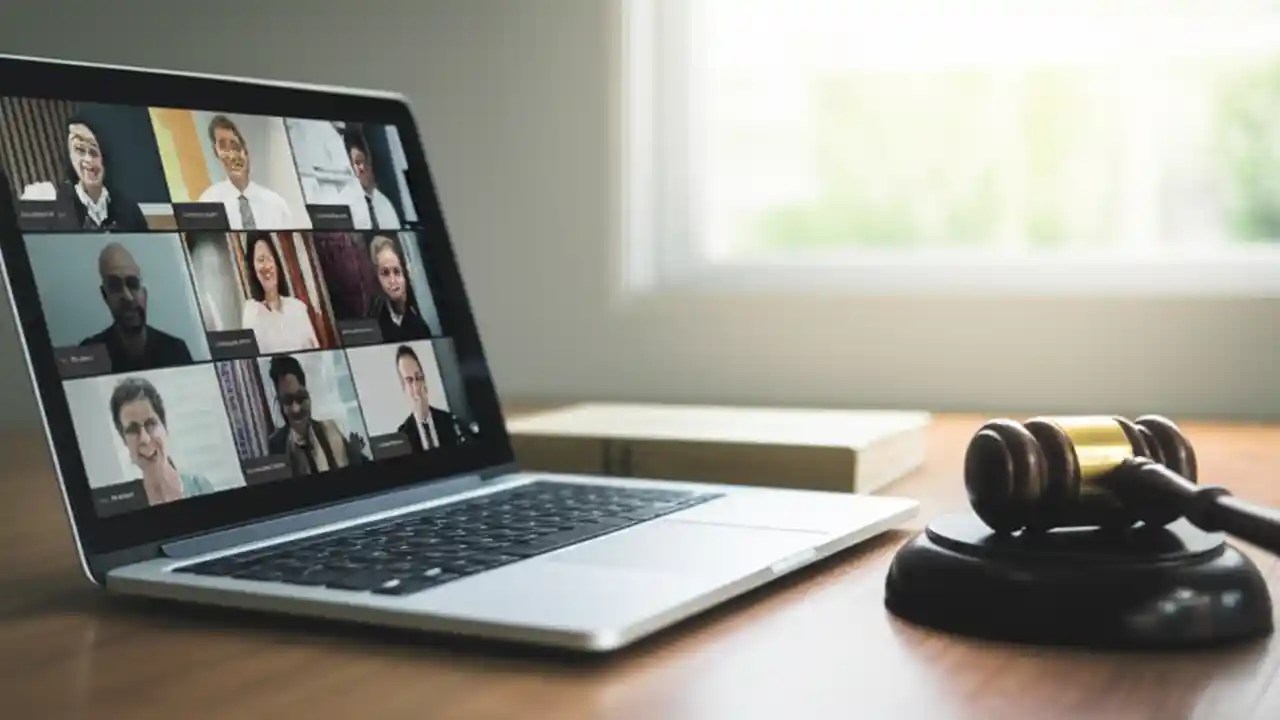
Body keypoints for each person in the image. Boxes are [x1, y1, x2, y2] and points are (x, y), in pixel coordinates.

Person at [80, 243, 193, 371]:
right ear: (105, 296)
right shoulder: (89, 353)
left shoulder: (176, 352)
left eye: (132, 284)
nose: (128, 297)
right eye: (115, 286)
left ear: (144, 294)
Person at [21, 116, 148, 231]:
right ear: (70, 157)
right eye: (80, 150)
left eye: (93, 151)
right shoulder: (55, 206)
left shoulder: (129, 210)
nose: (88, 159)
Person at [110, 377, 215, 506]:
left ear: (164, 427)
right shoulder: (125, 505)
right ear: (124, 440)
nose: (145, 439)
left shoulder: (201, 487)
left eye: (150, 424)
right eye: (132, 429)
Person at [265, 355, 365, 476]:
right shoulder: (276, 445)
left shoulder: (330, 429)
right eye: (287, 400)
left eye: (300, 398)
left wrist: (355, 452)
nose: (295, 409)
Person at [198, 115, 294, 230]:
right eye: (223, 147)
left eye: (234, 146)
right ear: (216, 153)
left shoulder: (276, 204)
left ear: (245, 152)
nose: (231, 155)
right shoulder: (208, 202)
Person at [240, 232, 320, 354]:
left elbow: (318, 356)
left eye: (270, 258)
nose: (267, 266)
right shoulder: (251, 313)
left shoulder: (298, 307)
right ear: (252, 268)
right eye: (261, 260)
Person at [394, 344, 471, 452]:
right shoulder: (402, 436)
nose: (416, 386)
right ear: (403, 388)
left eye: (418, 377)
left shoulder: (449, 421)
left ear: (424, 380)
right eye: (409, 380)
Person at [366, 234, 433, 341]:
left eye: (397, 272)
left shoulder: (421, 328)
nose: (393, 280)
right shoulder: (373, 324)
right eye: (385, 273)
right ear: (376, 278)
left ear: (404, 274)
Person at [338, 126, 400, 230]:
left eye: (361, 161)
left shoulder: (384, 203)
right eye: (356, 164)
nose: (361, 168)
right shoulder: (345, 201)